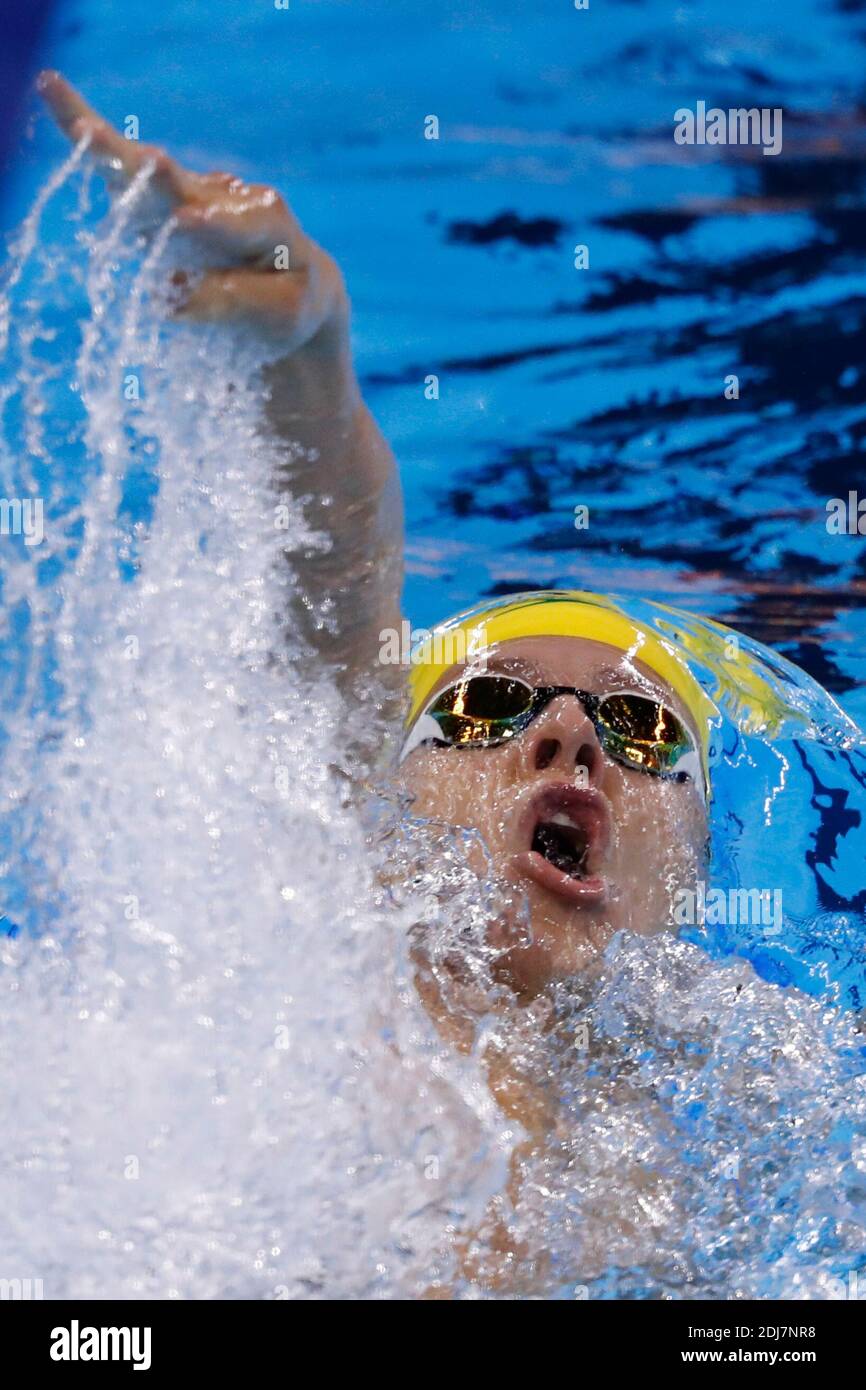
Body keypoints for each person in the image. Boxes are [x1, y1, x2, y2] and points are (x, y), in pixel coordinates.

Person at [31, 73, 777, 1006]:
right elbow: (336, 584)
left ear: (699, 871)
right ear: (383, 798)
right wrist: (306, 351)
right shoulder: (301, 1010)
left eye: (643, 729)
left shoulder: (798, 1089)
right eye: (485, 707)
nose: (570, 733)